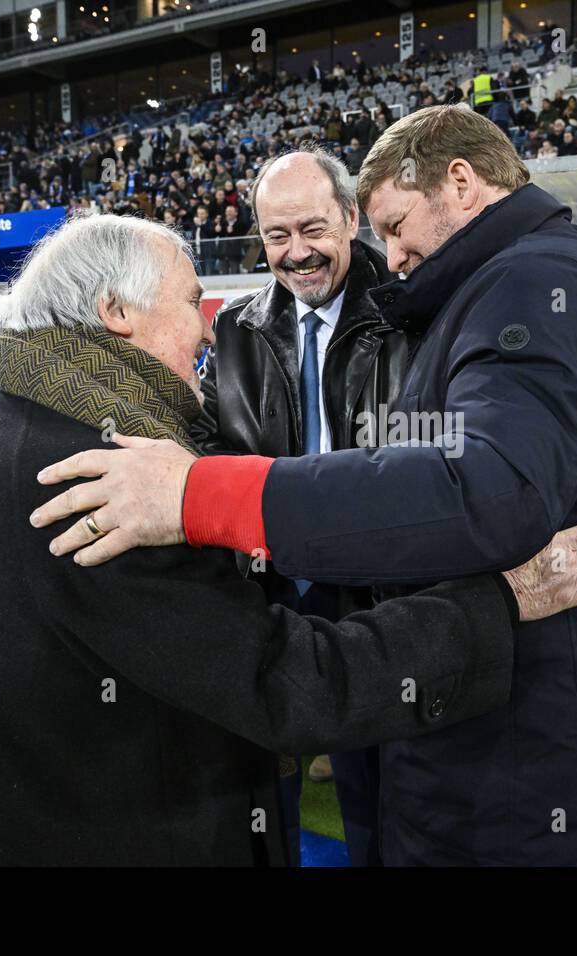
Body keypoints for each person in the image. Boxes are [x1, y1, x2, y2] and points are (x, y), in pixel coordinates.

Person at [30, 105, 577, 866]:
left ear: (462, 182)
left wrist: (200, 495)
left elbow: (485, 489)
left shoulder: (531, 281)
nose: (395, 252)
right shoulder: (501, 281)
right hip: (486, 712)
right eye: (275, 236)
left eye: (394, 224)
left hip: (542, 749)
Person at [0, 213, 577, 866]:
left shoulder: (31, 429)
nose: (208, 333)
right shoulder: (102, 480)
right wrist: (498, 603)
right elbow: (284, 685)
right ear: (116, 312)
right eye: (192, 303)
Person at [190, 145, 407, 867]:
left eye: (313, 229)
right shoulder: (236, 330)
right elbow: (220, 452)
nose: (297, 253)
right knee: (263, 799)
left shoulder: (412, 313)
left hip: (379, 596)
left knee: (381, 800)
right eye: (277, 236)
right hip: (273, 595)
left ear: (352, 218)